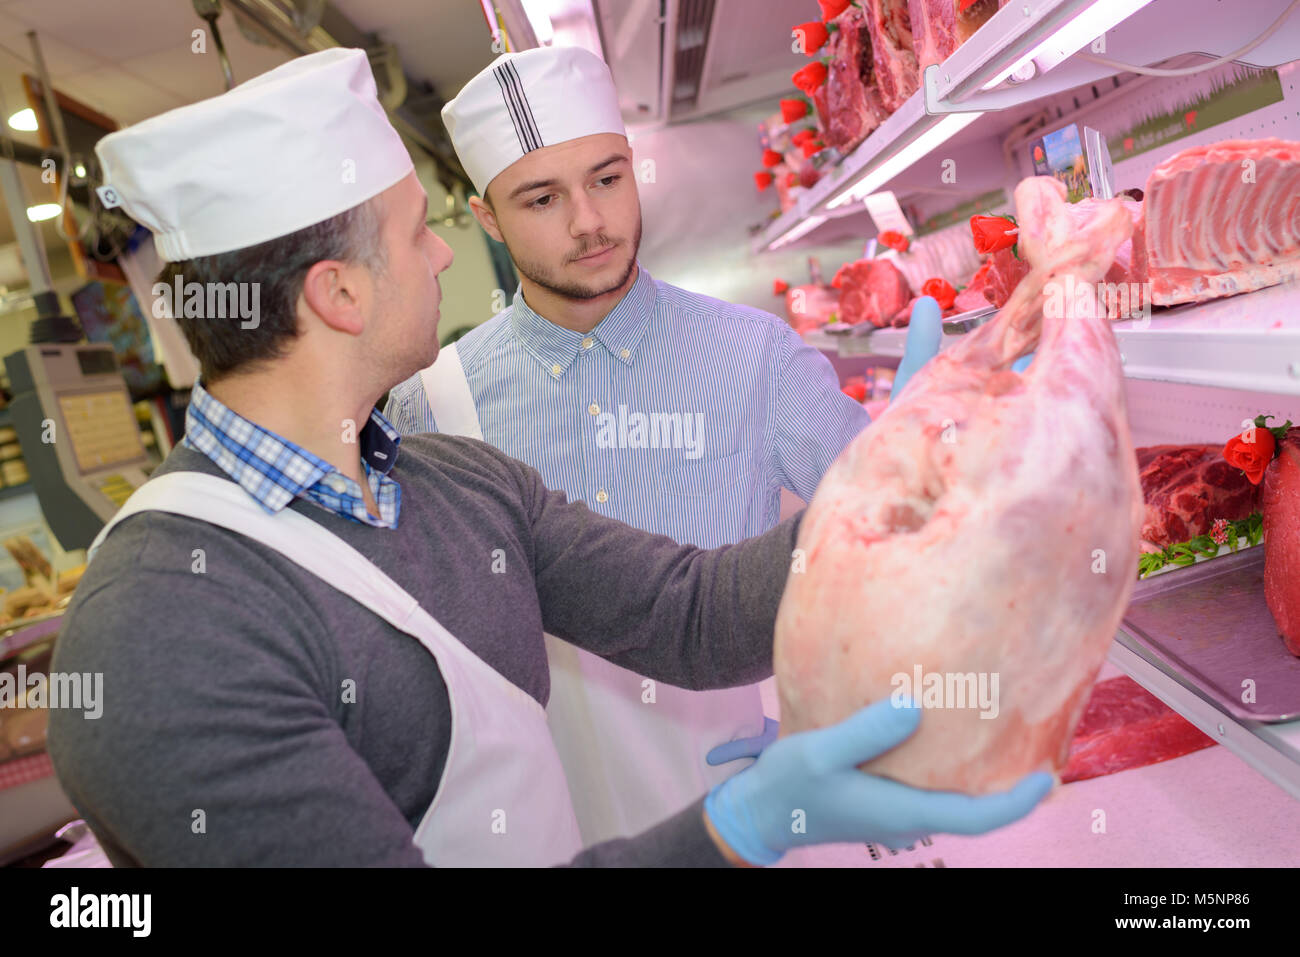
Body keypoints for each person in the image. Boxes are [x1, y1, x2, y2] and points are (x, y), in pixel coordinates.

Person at [48, 48, 1051, 867]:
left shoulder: (450, 483)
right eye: (413, 236)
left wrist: (893, 478)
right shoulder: (160, 626)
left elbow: (695, 613)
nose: (443, 255)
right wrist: (729, 831)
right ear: (338, 297)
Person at [383, 45, 874, 845]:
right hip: (542, 832)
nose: (589, 221)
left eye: (607, 178)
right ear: (486, 218)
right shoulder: (433, 403)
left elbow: (902, 550)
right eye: (541, 198)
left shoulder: (755, 358)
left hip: (738, 810)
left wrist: (841, 731)